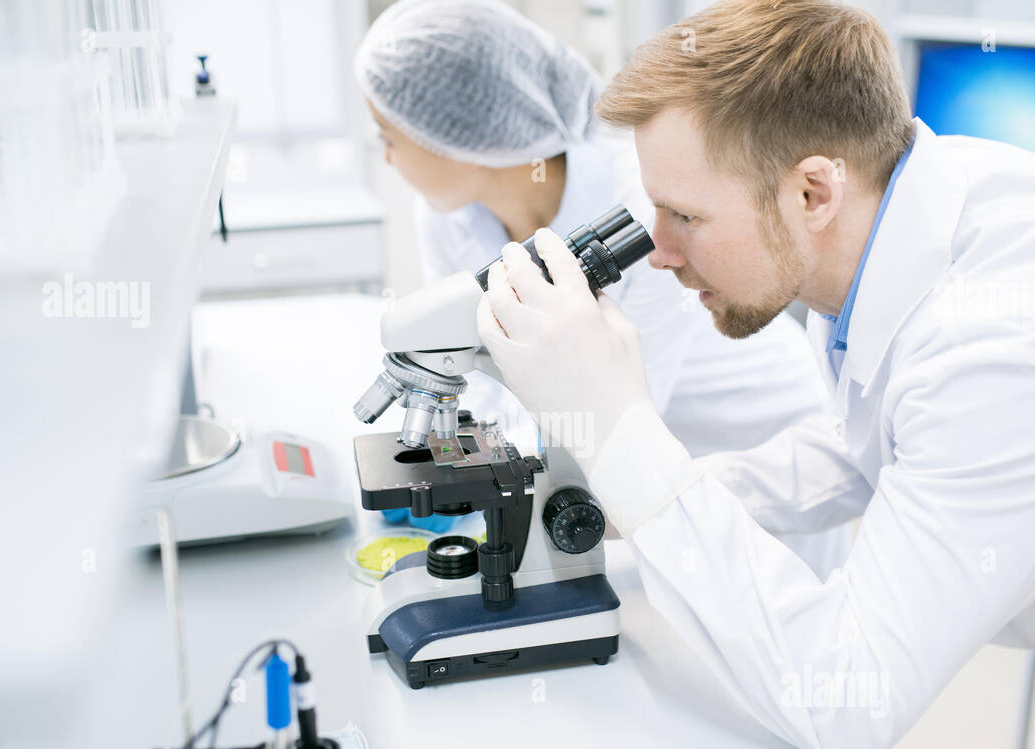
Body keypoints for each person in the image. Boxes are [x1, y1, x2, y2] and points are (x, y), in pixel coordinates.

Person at [477, 0, 1035, 749]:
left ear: (813, 188)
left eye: (687, 216)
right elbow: (866, 445)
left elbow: (846, 702)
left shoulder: (1010, 357)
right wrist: (634, 499)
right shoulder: (897, 213)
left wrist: (626, 435)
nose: (658, 252)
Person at [354, 0, 852, 579]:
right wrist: (449, 472)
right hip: (630, 458)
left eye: (389, 135)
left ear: (452, 132)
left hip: (760, 443)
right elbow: (483, 369)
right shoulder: (447, 215)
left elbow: (624, 410)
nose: (385, 156)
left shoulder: (642, 217)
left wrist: (488, 486)